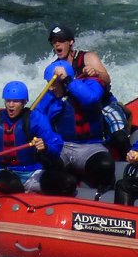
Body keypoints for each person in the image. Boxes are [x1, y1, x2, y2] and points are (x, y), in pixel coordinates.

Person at [0, 80, 61, 193]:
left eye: (15, 101)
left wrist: (45, 146)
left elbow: (55, 144)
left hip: (32, 171)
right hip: (3, 171)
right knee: (12, 184)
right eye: (8, 101)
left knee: (67, 182)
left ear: (24, 102)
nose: (11, 105)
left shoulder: (36, 119)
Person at [39, 65, 123, 194]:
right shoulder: (50, 98)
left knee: (105, 165)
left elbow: (91, 99)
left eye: (54, 84)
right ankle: (63, 187)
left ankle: (106, 192)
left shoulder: (90, 86)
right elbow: (38, 119)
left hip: (91, 146)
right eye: (49, 83)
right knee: (44, 160)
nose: (50, 88)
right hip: (63, 146)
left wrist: (68, 81)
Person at [46, 23, 113, 92]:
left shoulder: (88, 57)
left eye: (61, 40)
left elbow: (107, 79)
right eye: (54, 42)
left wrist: (96, 73)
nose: (57, 44)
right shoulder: (53, 67)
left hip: (100, 101)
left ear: (71, 42)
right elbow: (58, 94)